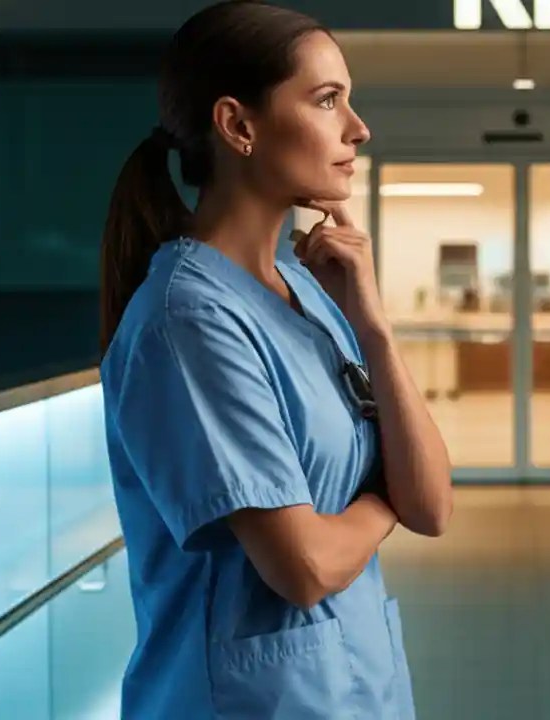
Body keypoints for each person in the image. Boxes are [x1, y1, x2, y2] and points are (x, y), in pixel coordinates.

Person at [96, 2, 453, 717]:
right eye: (327, 100)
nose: (358, 128)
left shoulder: (309, 292)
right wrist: (383, 498)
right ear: (238, 126)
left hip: (355, 688)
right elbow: (306, 566)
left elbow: (435, 503)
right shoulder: (189, 320)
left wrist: (373, 324)